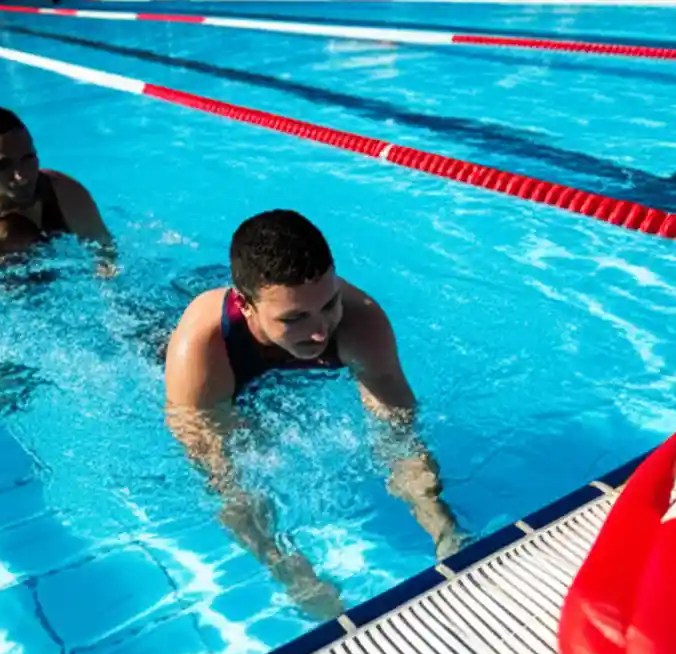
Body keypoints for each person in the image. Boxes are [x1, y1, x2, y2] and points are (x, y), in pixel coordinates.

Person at [164, 209, 464, 618]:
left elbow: (399, 437)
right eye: (295, 318)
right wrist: (294, 576)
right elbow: (225, 484)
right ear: (245, 305)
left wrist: (445, 531)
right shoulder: (203, 346)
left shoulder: (362, 322)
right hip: (201, 358)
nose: (321, 331)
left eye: (329, 304)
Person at [0, 106, 116, 337]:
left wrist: (111, 307)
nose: (22, 175)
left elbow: (106, 255)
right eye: (2, 165)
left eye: (28, 158)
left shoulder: (66, 195)